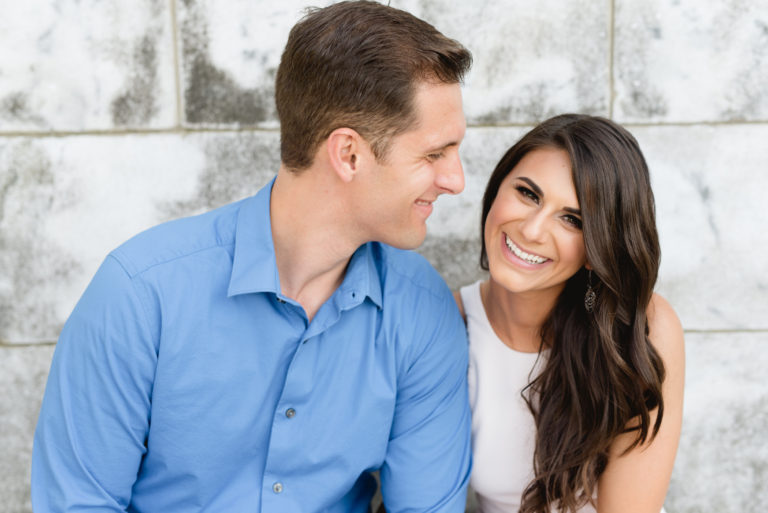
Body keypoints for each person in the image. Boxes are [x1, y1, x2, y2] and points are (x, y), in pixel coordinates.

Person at [32, 2, 473, 511]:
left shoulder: (421, 310)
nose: (455, 180)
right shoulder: (139, 294)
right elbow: (78, 502)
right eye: (434, 154)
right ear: (348, 154)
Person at [455, 114, 685, 513]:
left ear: (598, 251)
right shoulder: (449, 324)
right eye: (528, 194)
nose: (532, 230)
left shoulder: (639, 327)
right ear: (496, 188)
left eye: (572, 219)